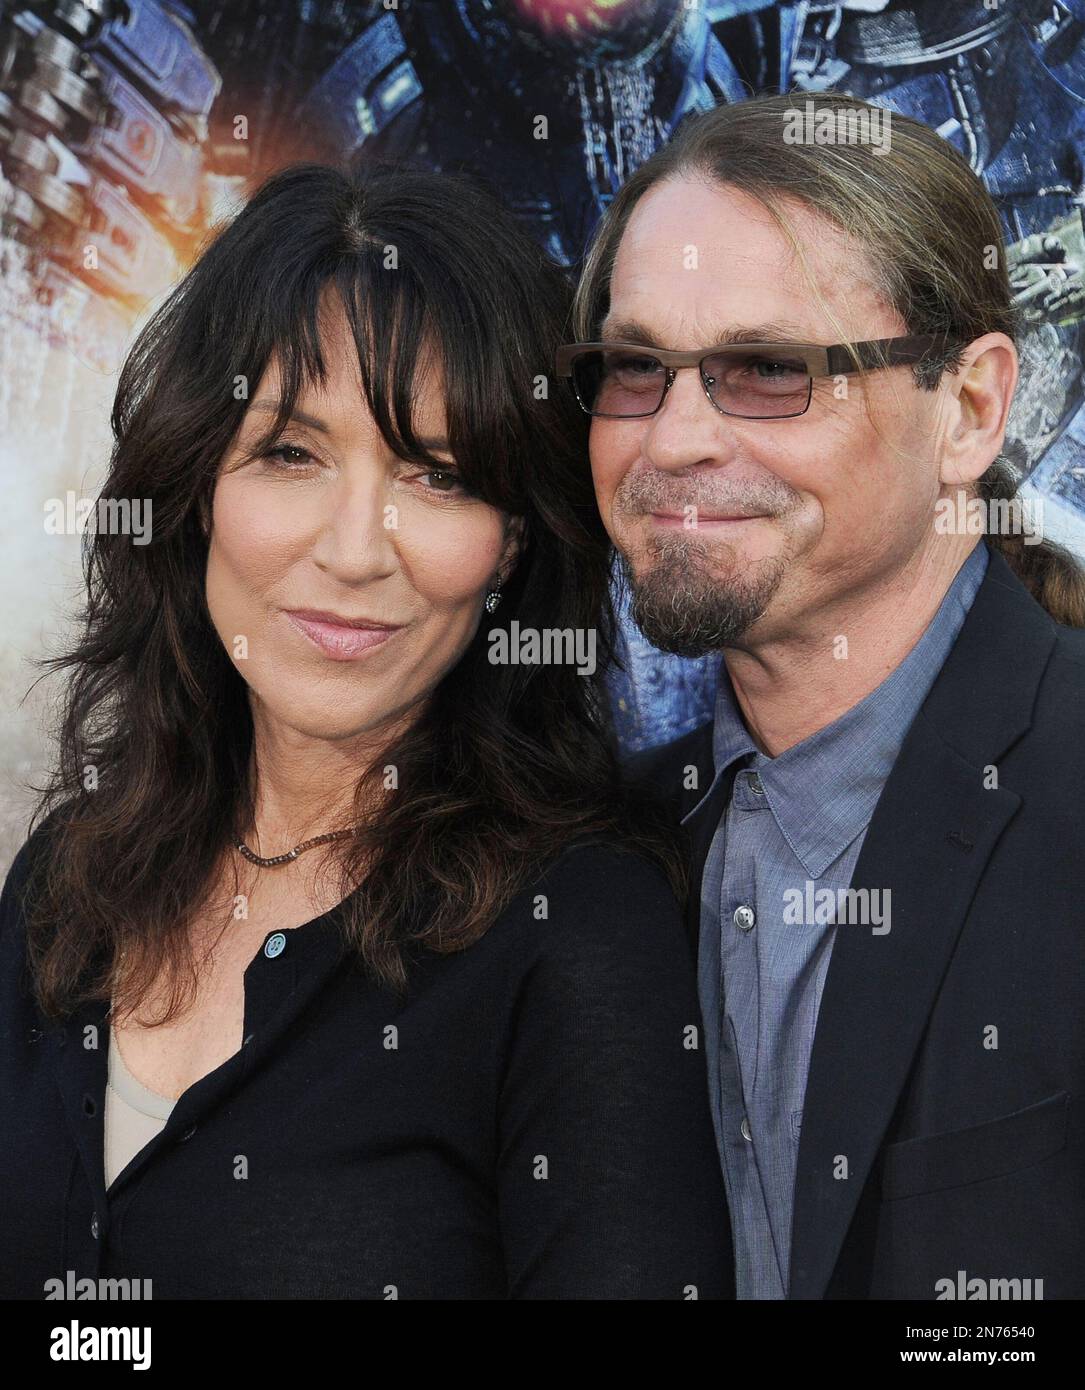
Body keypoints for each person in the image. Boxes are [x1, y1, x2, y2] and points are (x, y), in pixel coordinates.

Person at [0, 162, 730, 1300]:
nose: (353, 550)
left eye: (436, 475)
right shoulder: (67, 882)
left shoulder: (577, 934)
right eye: (289, 453)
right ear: (196, 488)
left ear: (514, 546)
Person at [561, 91, 1085, 1299]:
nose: (672, 439)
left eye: (765, 370)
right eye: (634, 367)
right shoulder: (601, 858)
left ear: (967, 408)